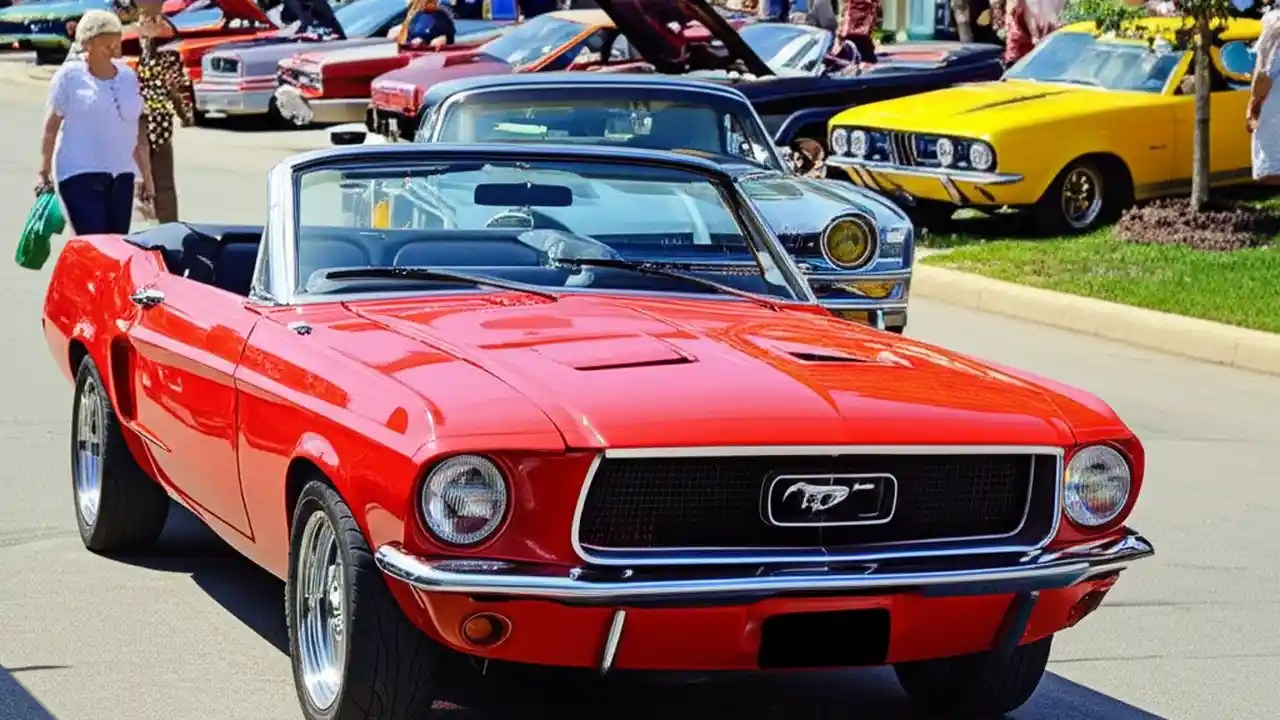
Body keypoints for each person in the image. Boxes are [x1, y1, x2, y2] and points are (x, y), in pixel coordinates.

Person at [37, 10, 152, 236]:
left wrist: (147, 178)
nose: (113, 45)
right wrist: (43, 170)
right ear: (88, 43)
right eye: (105, 40)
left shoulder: (128, 77)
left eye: (115, 38)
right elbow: (51, 127)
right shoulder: (69, 76)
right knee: (94, 245)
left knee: (117, 247)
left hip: (121, 177)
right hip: (79, 175)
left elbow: (137, 135)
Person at [1248, 6, 1280, 182]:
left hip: (1274, 105)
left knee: (1272, 163)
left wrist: (1253, 105)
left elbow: (1262, 78)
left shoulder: (1270, 45)